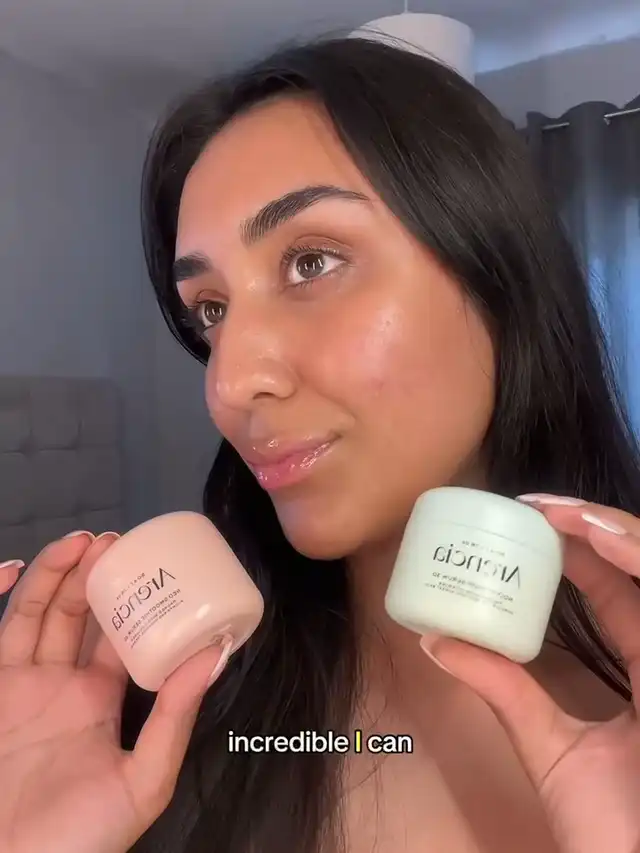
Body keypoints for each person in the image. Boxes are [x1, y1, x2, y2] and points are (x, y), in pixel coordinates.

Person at [1, 34, 640, 853]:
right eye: (210, 310)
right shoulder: (163, 726)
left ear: (500, 276)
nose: (230, 382)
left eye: (310, 262)